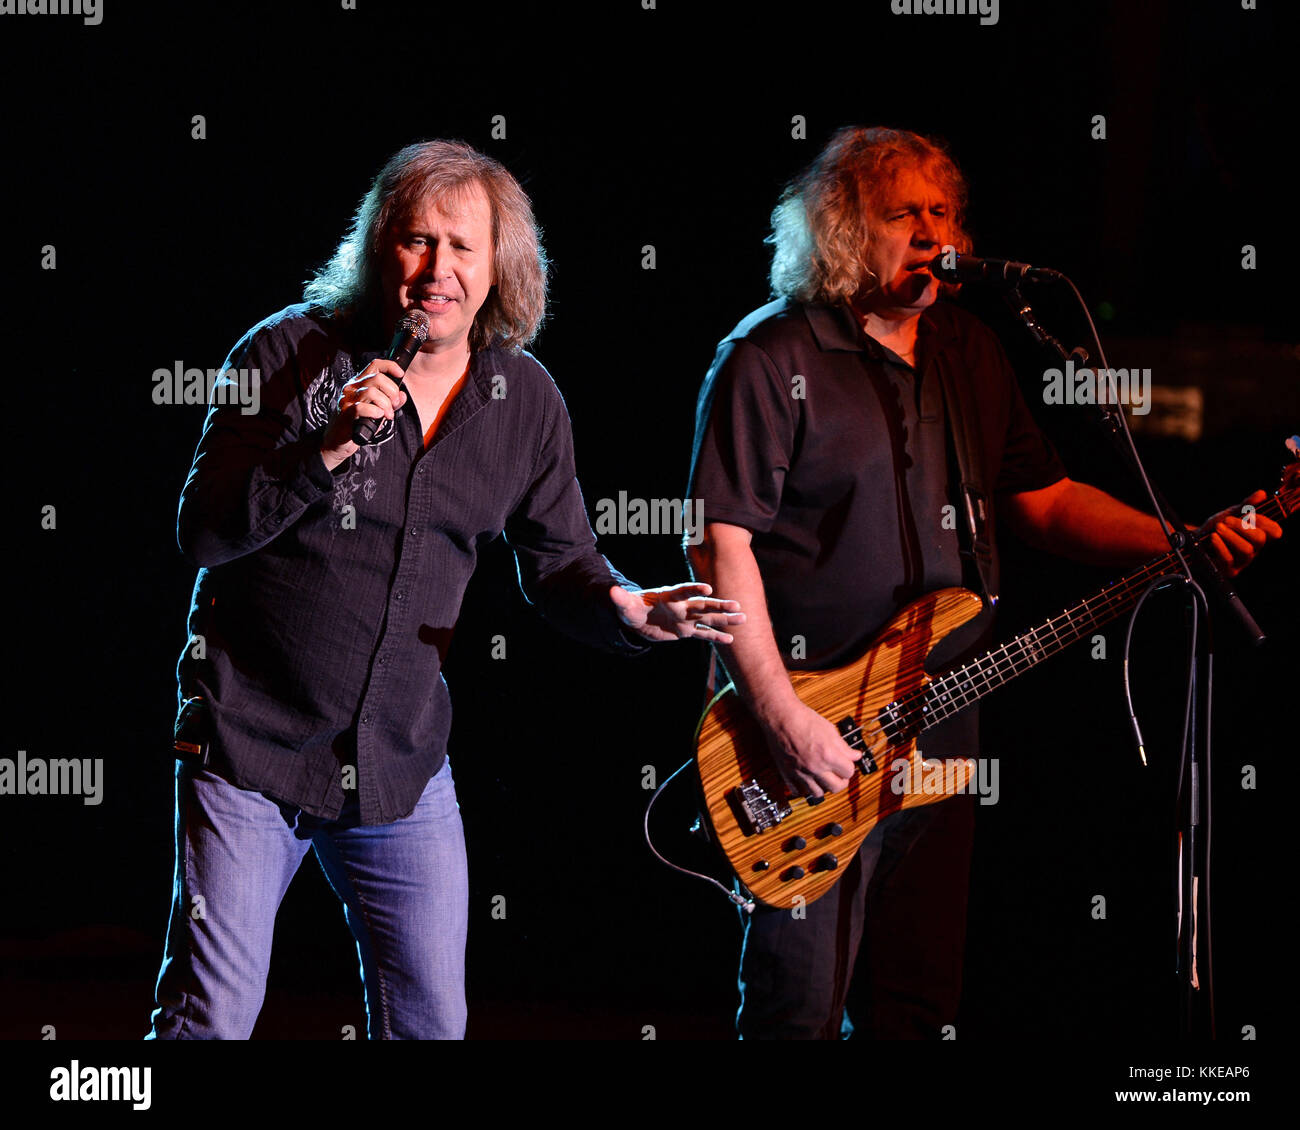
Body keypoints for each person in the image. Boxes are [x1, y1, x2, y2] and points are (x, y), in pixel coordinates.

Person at [685, 125, 1280, 1039]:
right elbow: (718, 545)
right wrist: (783, 717)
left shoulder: (969, 348)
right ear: (843, 230)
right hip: (812, 735)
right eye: (902, 214)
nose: (932, 231)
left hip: (945, 729)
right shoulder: (773, 358)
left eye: (942, 211)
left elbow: (1041, 501)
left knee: (920, 1008)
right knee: (794, 1010)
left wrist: (1180, 539)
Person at [147, 139, 744, 1041]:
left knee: (432, 1023)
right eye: (417, 241)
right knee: (212, 1021)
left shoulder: (526, 402)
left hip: (399, 764)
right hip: (248, 748)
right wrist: (325, 450)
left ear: (499, 267)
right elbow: (204, 532)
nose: (439, 270)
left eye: (463, 247)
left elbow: (563, 564)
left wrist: (626, 605)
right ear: (380, 248)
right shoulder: (287, 350)